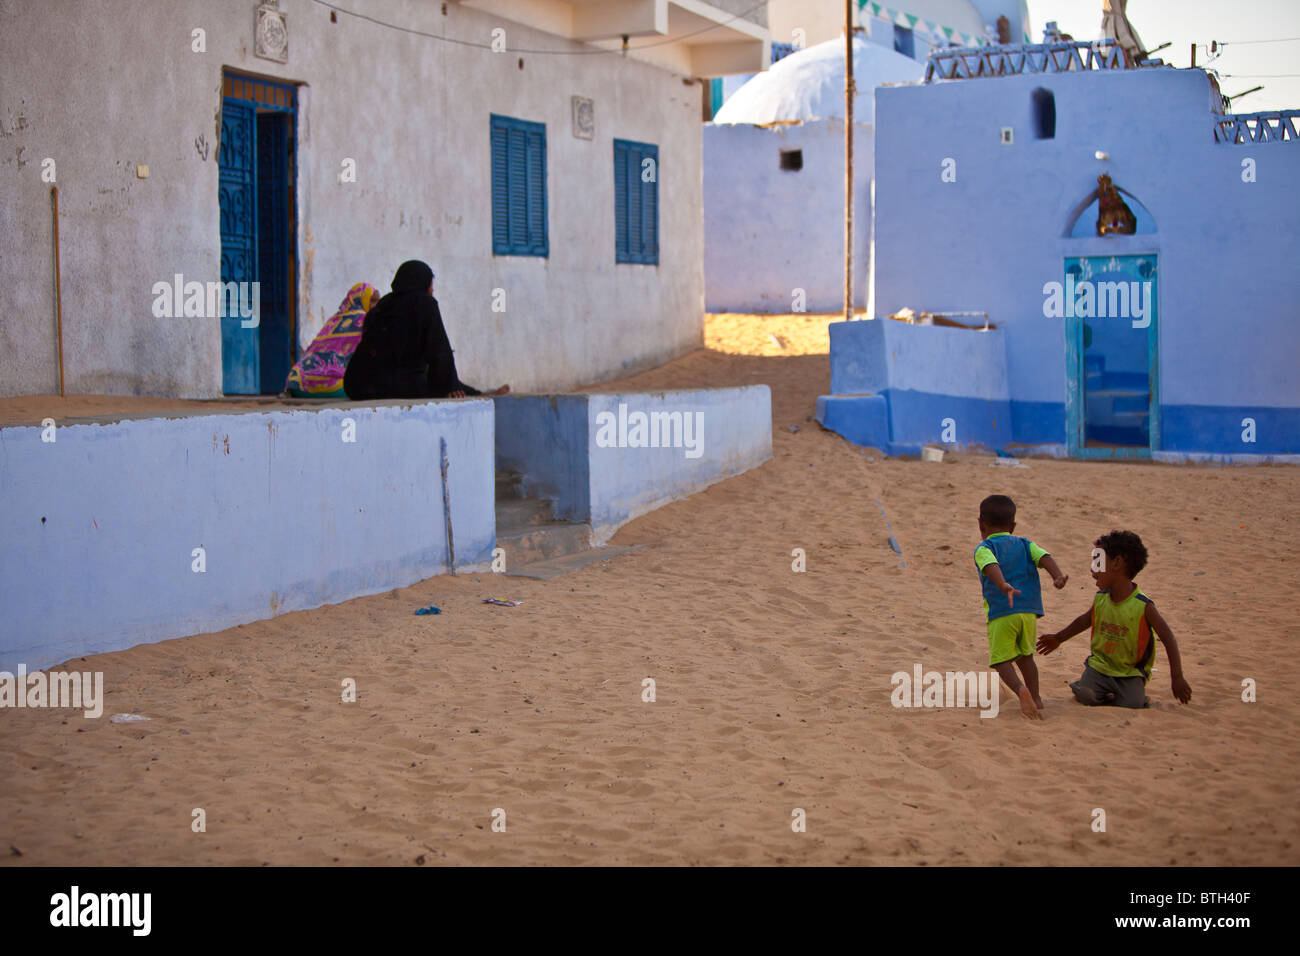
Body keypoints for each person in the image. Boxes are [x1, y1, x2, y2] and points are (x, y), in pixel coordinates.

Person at [1037, 530, 1192, 709]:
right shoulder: (1101, 598)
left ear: (1117, 563)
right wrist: (1058, 638)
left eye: (1097, 561)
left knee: (1132, 704)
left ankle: (1120, 695)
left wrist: (1177, 677)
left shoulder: (1144, 606)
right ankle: (1100, 691)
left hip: (1130, 673)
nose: (1092, 569)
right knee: (1086, 695)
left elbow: (1168, 638)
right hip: (1099, 668)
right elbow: (1083, 621)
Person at [343, 259, 509, 400]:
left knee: (426, 372)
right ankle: (477, 394)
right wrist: (449, 386)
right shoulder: (424, 303)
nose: (432, 290)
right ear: (424, 283)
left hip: (358, 386)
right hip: (395, 387)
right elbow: (438, 350)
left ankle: (476, 392)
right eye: (431, 285)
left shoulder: (383, 305)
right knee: (436, 380)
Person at [973, 494, 1070, 719]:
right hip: (1028, 611)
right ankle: (1036, 697)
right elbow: (1044, 557)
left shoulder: (983, 548)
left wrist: (1003, 585)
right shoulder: (1025, 543)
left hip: (1002, 612)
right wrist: (1057, 576)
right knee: (1026, 657)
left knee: (1001, 660)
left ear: (980, 524)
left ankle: (1020, 690)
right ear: (1013, 526)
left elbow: (991, 566)